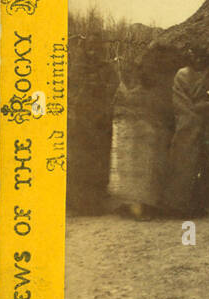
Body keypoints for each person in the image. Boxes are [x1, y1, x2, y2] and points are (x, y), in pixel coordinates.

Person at [110, 52, 175, 220]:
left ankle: (144, 206)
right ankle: (137, 207)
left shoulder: (156, 90)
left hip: (148, 133)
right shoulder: (138, 90)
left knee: (148, 170)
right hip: (136, 133)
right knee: (138, 171)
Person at [163, 46, 209, 216]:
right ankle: (179, 205)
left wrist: (205, 107)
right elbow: (179, 100)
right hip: (187, 125)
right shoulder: (182, 74)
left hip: (207, 125)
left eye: (202, 58)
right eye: (195, 58)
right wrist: (193, 114)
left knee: (203, 163)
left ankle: (200, 205)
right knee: (183, 163)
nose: (198, 61)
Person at [67, 34, 120, 214]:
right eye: (89, 47)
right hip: (81, 119)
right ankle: (78, 199)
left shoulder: (108, 69)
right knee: (80, 158)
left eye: (96, 48)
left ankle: (97, 196)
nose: (93, 51)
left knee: (99, 157)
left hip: (100, 119)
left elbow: (113, 90)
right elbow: (71, 91)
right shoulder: (77, 68)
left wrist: (102, 101)